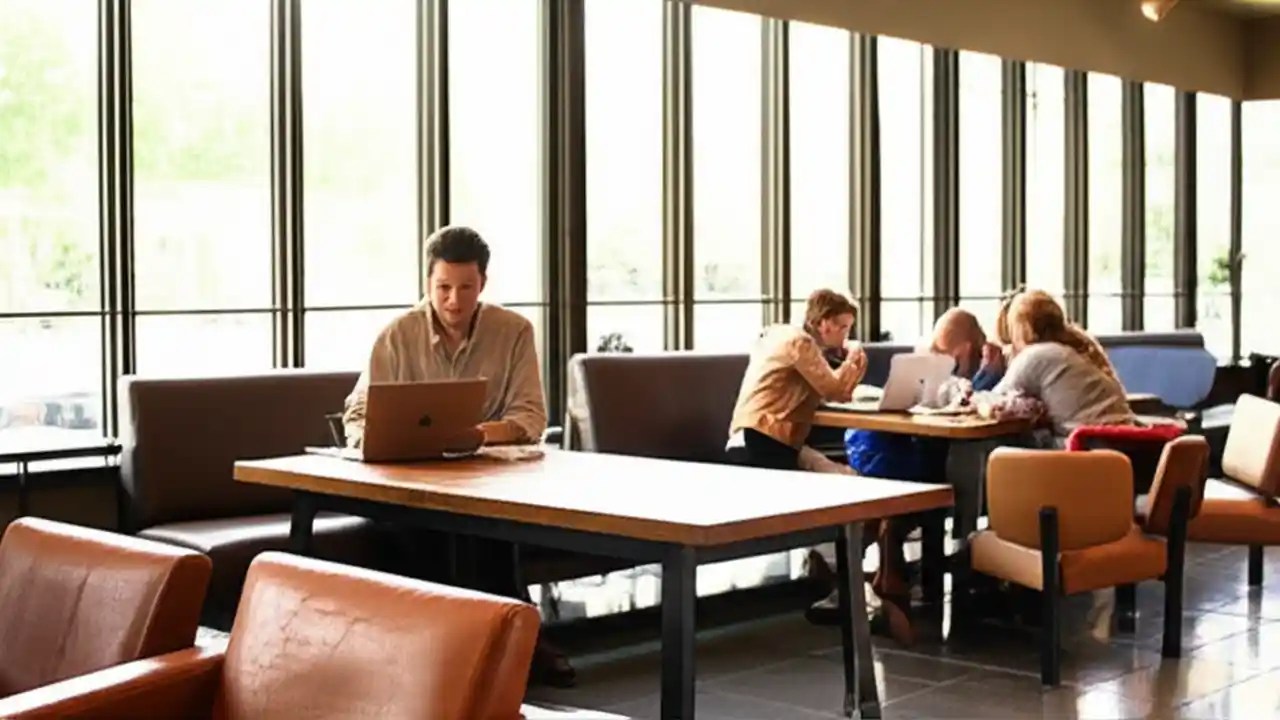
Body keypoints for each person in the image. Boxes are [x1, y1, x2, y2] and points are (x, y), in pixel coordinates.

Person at [341, 225, 573, 687]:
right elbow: (358, 411)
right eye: (443, 288)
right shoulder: (396, 336)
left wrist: (479, 435)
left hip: (485, 475)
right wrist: (375, 439)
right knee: (420, 529)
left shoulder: (513, 333)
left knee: (491, 524)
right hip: (408, 477)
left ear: (482, 284)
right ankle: (460, 653)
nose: (453, 300)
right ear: (427, 284)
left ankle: (515, 645)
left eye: (465, 287)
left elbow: (530, 416)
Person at [810, 309, 1008, 643]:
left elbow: (977, 401)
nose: (950, 358)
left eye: (955, 352)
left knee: (928, 471)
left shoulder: (992, 365)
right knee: (906, 468)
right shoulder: (928, 362)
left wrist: (987, 374)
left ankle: (868, 574)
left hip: (928, 455)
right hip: (900, 452)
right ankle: (881, 572)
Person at [725, 289, 867, 472]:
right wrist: (854, 356)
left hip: (751, 434)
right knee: (836, 478)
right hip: (765, 440)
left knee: (843, 473)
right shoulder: (801, 343)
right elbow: (836, 391)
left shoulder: (782, 336)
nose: (846, 336)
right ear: (824, 323)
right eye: (844, 327)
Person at [992, 289, 1135, 445]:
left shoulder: (1035, 355)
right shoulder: (1080, 351)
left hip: (1087, 452)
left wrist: (990, 370)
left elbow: (993, 405)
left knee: (1006, 448)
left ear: (1020, 329)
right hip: (1124, 449)